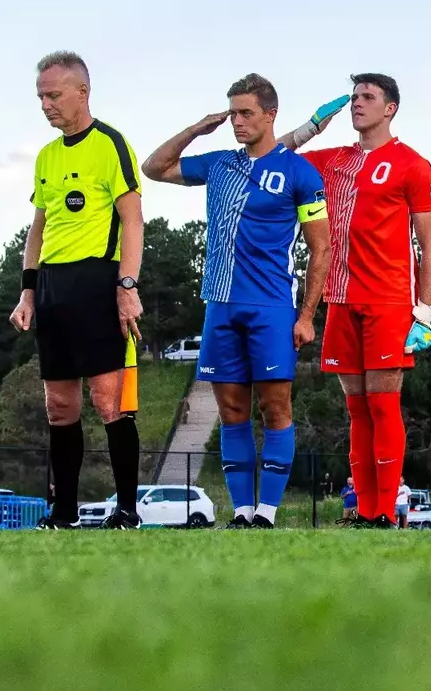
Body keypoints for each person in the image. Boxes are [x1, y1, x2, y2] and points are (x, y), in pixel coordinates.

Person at [141, 74, 331, 529]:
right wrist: (195, 129)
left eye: (246, 113)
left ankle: (267, 512)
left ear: (271, 114)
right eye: (232, 114)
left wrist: (306, 315)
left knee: (275, 408)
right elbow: (154, 167)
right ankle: (242, 512)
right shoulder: (220, 163)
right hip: (220, 306)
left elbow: (321, 248)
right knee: (232, 410)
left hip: (270, 306)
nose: (237, 122)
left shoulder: (299, 173)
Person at [286, 75, 431, 530]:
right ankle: (363, 510)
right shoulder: (333, 159)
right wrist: (309, 128)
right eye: (354, 97)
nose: (357, 104)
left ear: (390, 108)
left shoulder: (411, 164)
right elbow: (272, 162)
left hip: (389, 301)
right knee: (356, 410)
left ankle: (384, 512)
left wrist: (424, 312)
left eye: (367, 97)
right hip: (339, 297)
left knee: (382, 406)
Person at [9, 51, 143, 531]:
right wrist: (27, 294)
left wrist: (126, 285)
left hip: (98, 283)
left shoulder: (111, 144)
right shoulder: (45, 156)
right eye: (40, 97)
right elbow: (37, 230)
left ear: (82, 92)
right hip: (52, 288)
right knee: (59, 406)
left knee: (110, 402)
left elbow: (133, 220)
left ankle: (127, 511)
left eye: (53, 95)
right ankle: (62, 513)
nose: (46, 105)